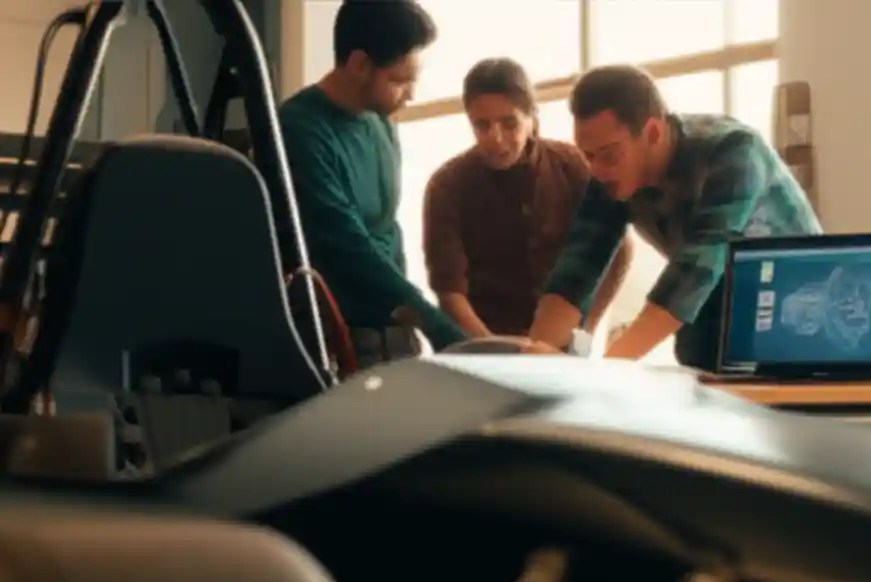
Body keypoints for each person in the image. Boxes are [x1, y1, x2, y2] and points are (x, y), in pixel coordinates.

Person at [526, 65, 822, 369]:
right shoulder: (608, 176)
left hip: (803, 301)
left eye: (609, 154)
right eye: (588, 156)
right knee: (695, 351)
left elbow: (690, 278)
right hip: (715, 301)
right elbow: (576, 271)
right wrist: (537, 364)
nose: (598, 170)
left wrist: (603, 376)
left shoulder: (733, 153)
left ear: (652, 132)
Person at [277, 0, 469, 368]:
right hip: (335, 340)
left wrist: (416, 320)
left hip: (396, 332)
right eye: (400, 80)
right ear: (359, 64)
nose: (410, 94)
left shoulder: (380, 121)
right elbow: (346, 243)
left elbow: (387, 229)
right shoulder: (298, 129)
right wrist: (435, 322)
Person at [424, 58, 632, 337]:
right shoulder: (446, 186)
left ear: (532, 117)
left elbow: (621, 248)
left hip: (563, 341)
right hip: (484, 343)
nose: (495, 138)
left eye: (509, 123)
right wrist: (492, 350)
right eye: (482, 125)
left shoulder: (573, 165)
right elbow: (449, 292)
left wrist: (587, 327)